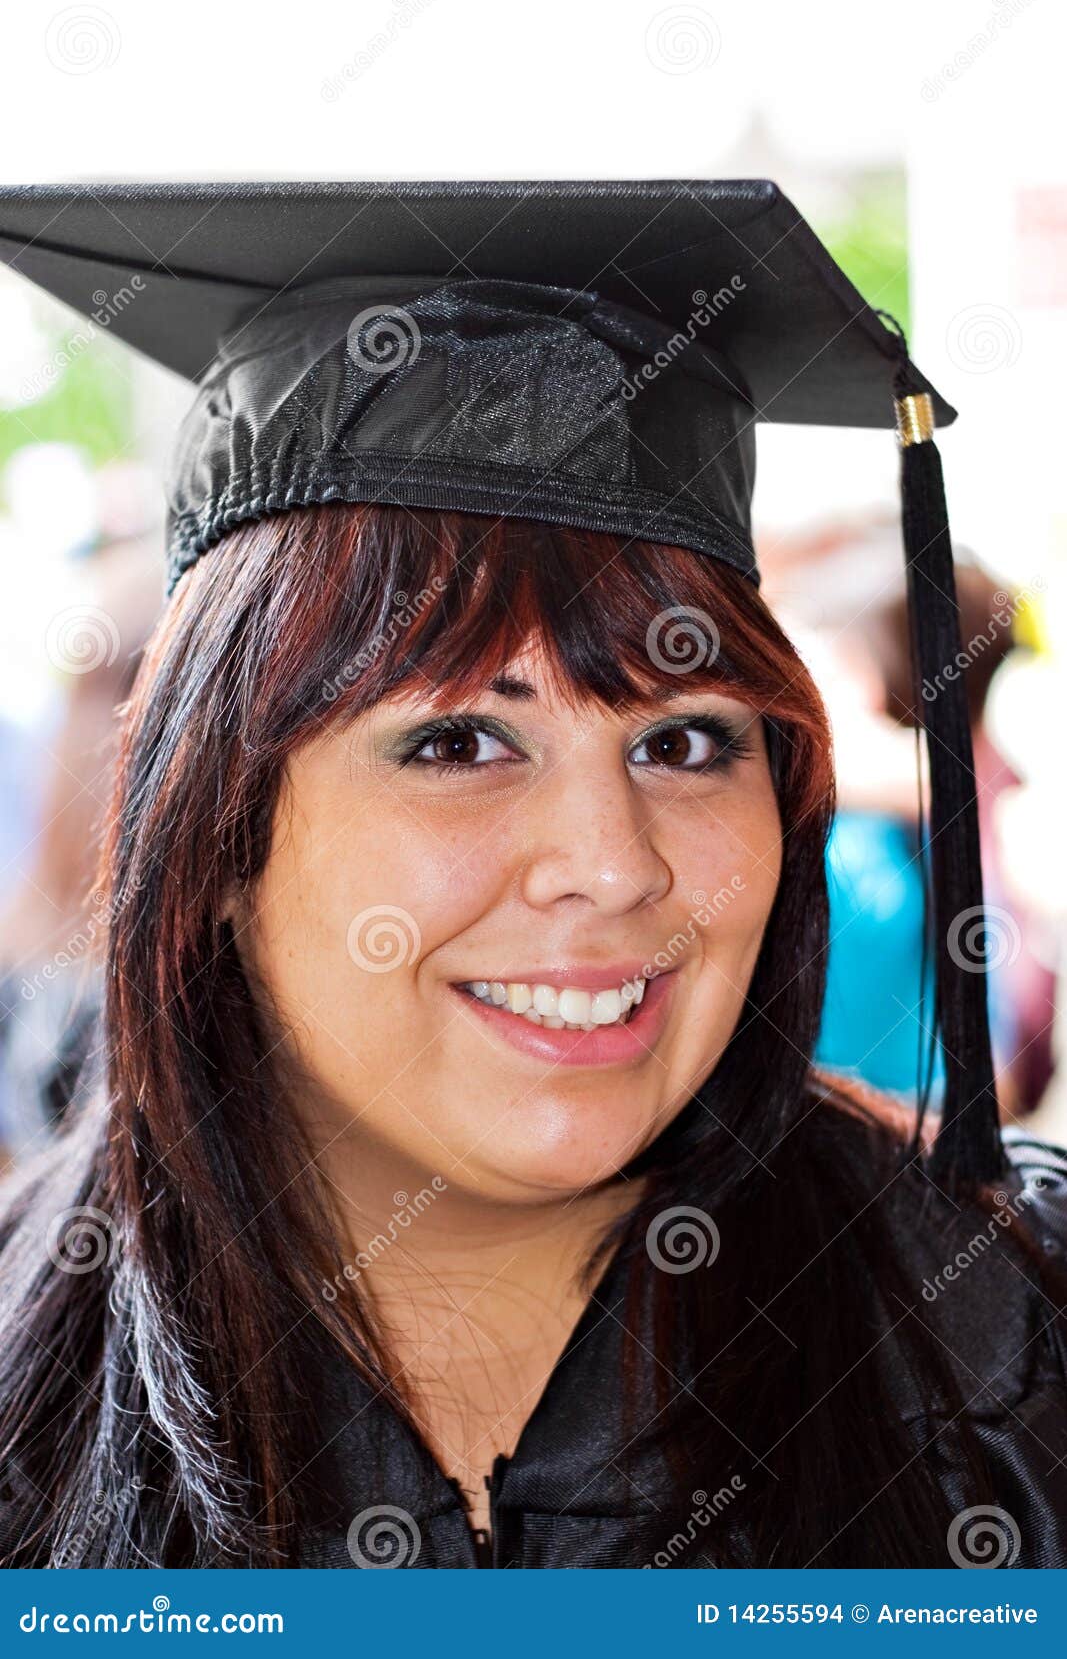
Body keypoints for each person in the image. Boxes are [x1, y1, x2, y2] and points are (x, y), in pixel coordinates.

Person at [0, 179, 1064, 1570]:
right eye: (458, 739)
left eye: (685, 739)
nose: (612, 866)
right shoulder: (37, 1407)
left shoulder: (1014, 1352)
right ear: (215, 836)